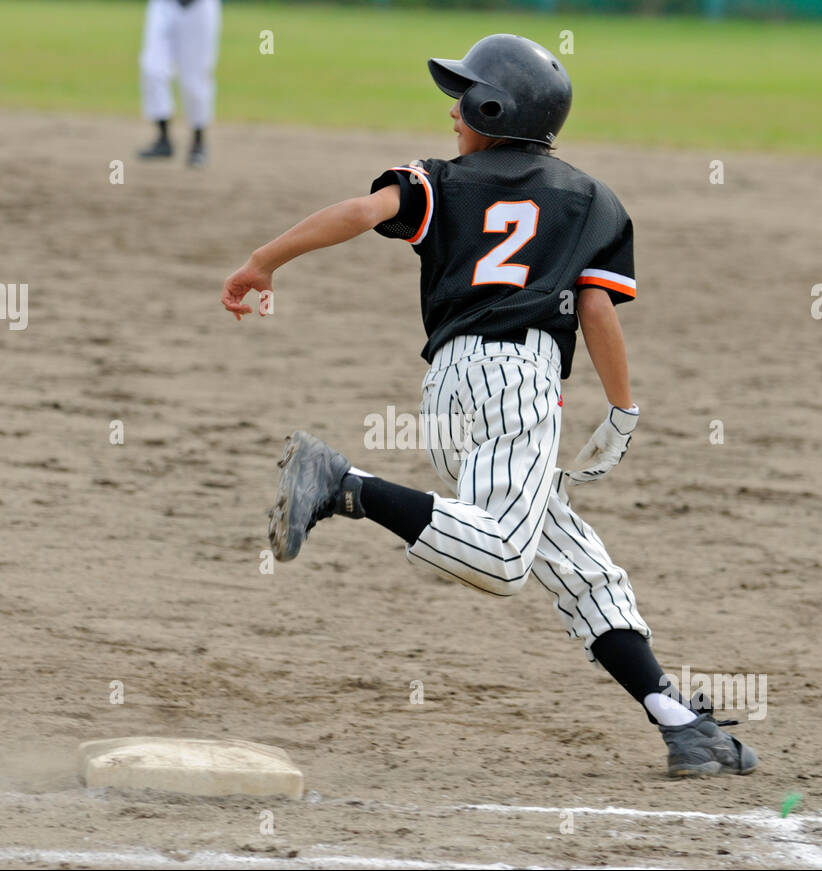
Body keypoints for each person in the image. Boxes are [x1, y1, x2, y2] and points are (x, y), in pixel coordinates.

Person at [221, 35, 757, 777]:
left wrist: (263, 262)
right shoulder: (590, 199)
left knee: (578, 568)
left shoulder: (440, 180)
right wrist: (623, 410)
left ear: (492, 107)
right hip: (519, 381)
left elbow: (356, 211)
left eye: (463, 96)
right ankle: (343, 486)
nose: (452, 109)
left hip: (449, 388)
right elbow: (597, 313)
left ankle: (679, 723)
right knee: (504, 558)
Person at [137, 0, 221, 167]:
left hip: (199, 8)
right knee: (152, 68)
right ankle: (163, 139)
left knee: (194, 80)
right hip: (164, 6)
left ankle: (198, 144)